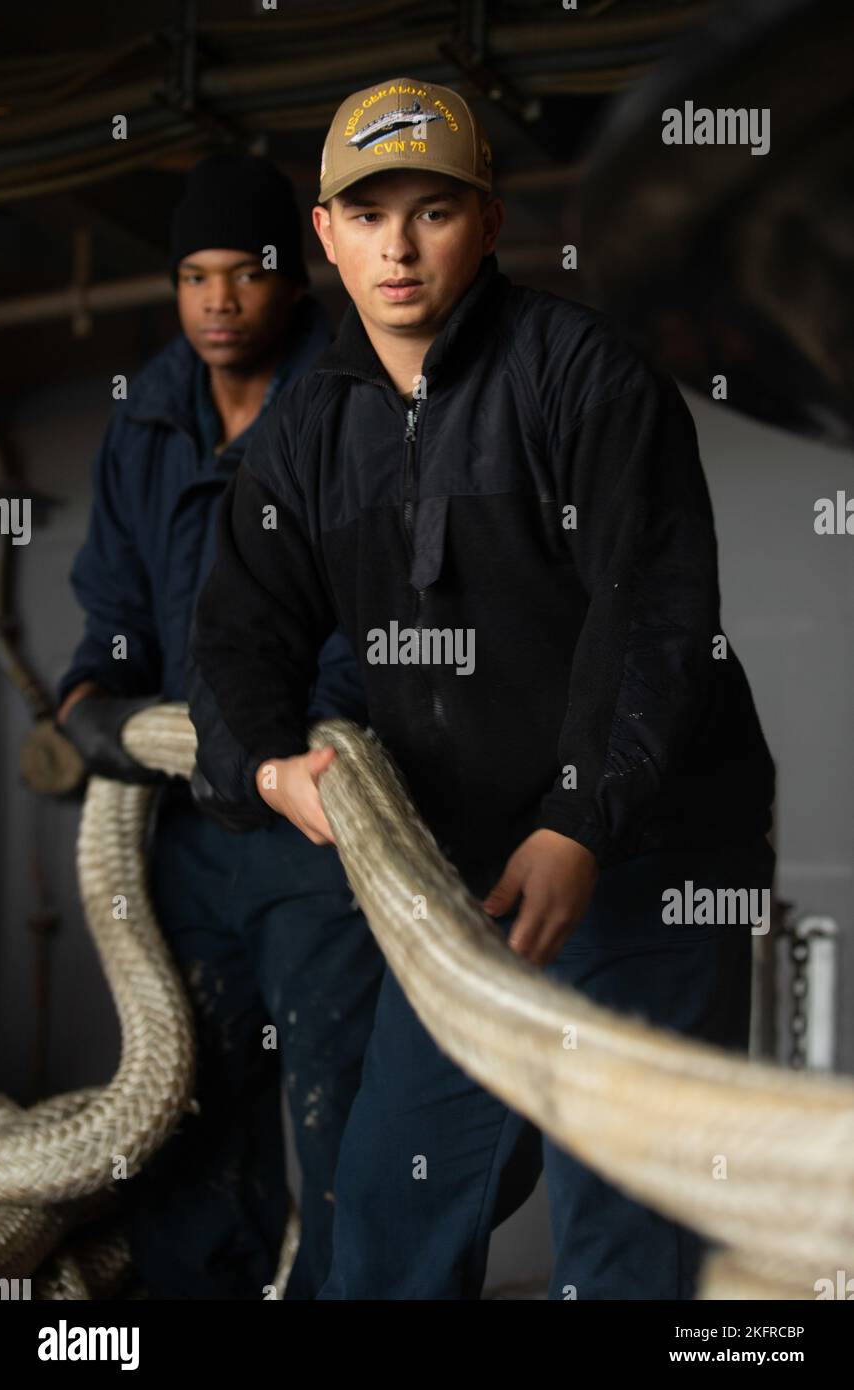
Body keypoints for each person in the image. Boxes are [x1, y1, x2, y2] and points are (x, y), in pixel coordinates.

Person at [187, 81, 777, 1300]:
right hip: (463, 885)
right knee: (394, 1219)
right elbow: (236, 632)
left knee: (620, 1234)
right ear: (325, 234)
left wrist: (580, 821)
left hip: (650, 853)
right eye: (369, 215)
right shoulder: (304, 436)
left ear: (490, 221)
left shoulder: (584, 377)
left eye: (433, 211)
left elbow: (653, 614)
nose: (398, 248)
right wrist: (259, 762)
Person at [55, 150, 384, 1300]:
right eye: (193, 276)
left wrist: (291, 739)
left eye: (240, 275)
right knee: (190, 1101)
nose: (215, 302)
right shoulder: (146, 413)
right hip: (189, 830)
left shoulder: (349, 404)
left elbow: (373, 608)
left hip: (311, 820)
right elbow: (116, 603)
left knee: (332, 1096)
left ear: (290, 277)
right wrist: (93, 693)